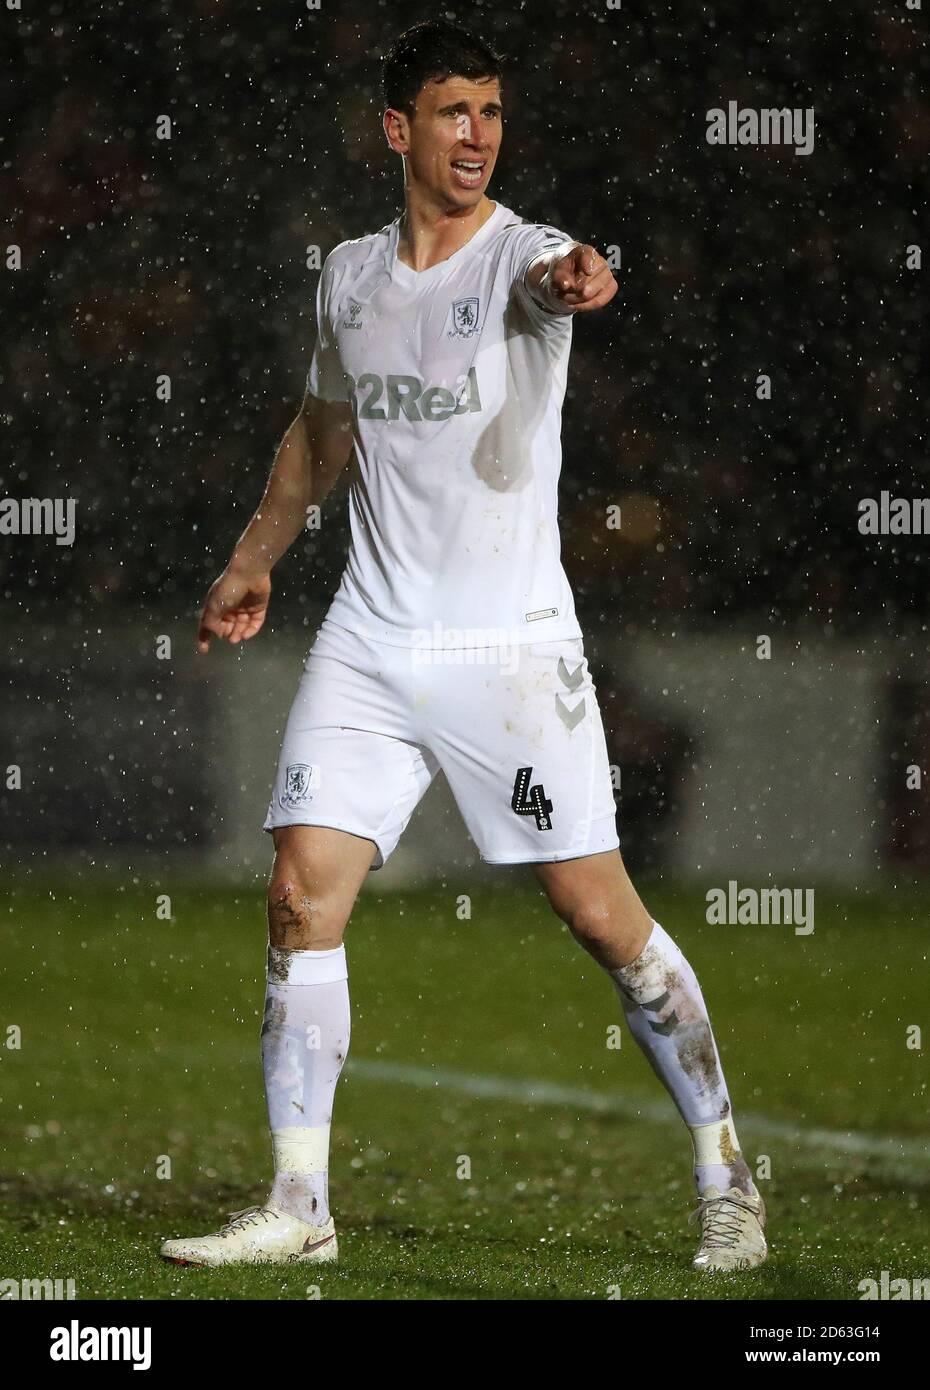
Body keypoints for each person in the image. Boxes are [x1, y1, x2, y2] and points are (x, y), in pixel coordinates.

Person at [161, 19, 766, 1275]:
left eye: (490, 112)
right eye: (451, 113)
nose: (477, 135)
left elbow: (565, 271)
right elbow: (321, 430)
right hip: (372, 639)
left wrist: (584, 275)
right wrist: (255, 556)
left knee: (601, 918)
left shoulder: (519, 260)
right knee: (296, 894)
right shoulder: (346, 274)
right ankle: (300, 1203)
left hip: (508, 652)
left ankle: (724, 1171)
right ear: (399, 129)